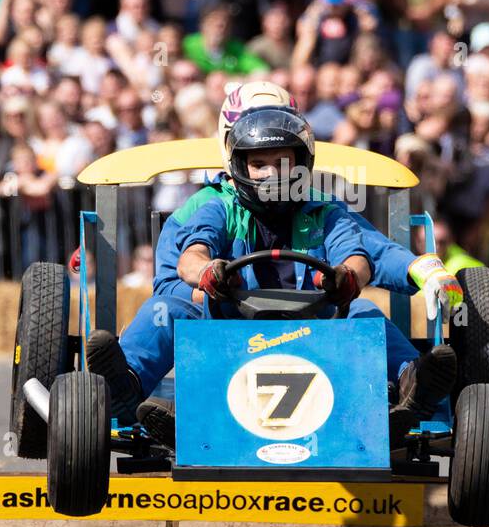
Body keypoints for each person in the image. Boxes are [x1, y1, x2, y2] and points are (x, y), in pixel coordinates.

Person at [84, 103, 463, 450]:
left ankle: (412, 386)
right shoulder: (218, 205)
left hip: (316, 335)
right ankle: (126, 386)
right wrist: (208, 273)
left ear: (301, 165)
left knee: (364, 312)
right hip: (230, 335)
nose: (271, 174)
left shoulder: (325, 212)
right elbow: (191, 256)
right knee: (167, 309)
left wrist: (347, 277)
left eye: (282, 163)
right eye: (259, 164)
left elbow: (358, 256)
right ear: (240, 166)